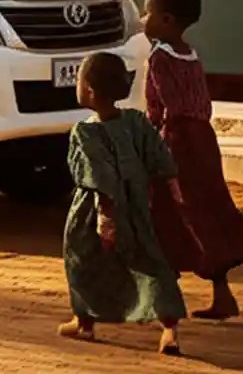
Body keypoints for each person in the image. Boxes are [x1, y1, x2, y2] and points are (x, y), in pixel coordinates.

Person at [143, 0, 243, 320]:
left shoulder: (159, 58)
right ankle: (221, 293)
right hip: (204, 140)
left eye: (147, 12)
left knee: (166, 213)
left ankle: (164, 297)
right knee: (206, 208)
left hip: (176, 142)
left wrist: (150, 140)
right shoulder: (191, 55)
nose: (142, 18)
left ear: (166, 20)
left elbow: (158, 107)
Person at [59, 52, 188, 356]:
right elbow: (158, 153)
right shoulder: (135, 121)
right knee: (150, 261)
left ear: (88, 91)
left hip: (94, 212)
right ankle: (170, 330)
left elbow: (98, 174)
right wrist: (172, 184)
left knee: (83, 261)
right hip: (139, 206)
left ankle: (84, 321)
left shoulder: (85, 132)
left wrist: (106, 215)